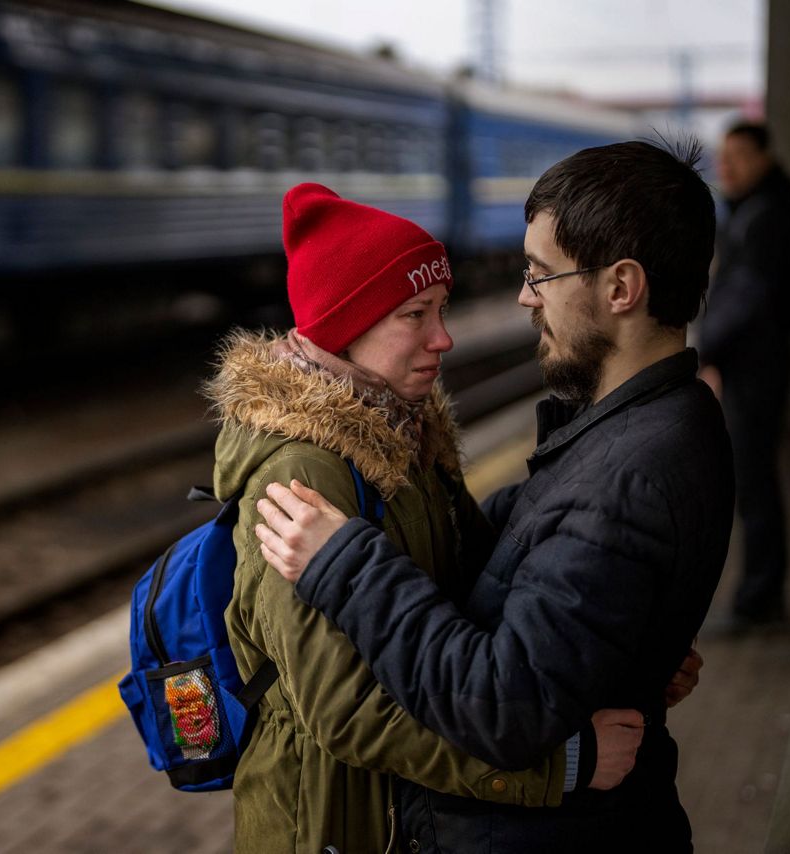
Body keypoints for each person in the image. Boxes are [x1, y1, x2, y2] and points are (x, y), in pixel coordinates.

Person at [255, 142, 731, 852]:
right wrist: (627, 648)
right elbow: (517, 556)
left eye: (541, 273)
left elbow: (502, 704)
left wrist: (346, 565)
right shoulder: (650, 424)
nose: (525, 296)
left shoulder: (627, 473)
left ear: (621, 289)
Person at [699, 121, 790, 630]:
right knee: (754, 478)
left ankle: (759, 599)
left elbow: (746, 299)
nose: (726, 165)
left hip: (757, 366)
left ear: (764, 157)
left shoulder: (768, 216)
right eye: (723, 155)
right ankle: (760, 593)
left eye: (737, 155)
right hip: (752, 361)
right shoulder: (753, 210)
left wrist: (705, 352)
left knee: (754, 480)